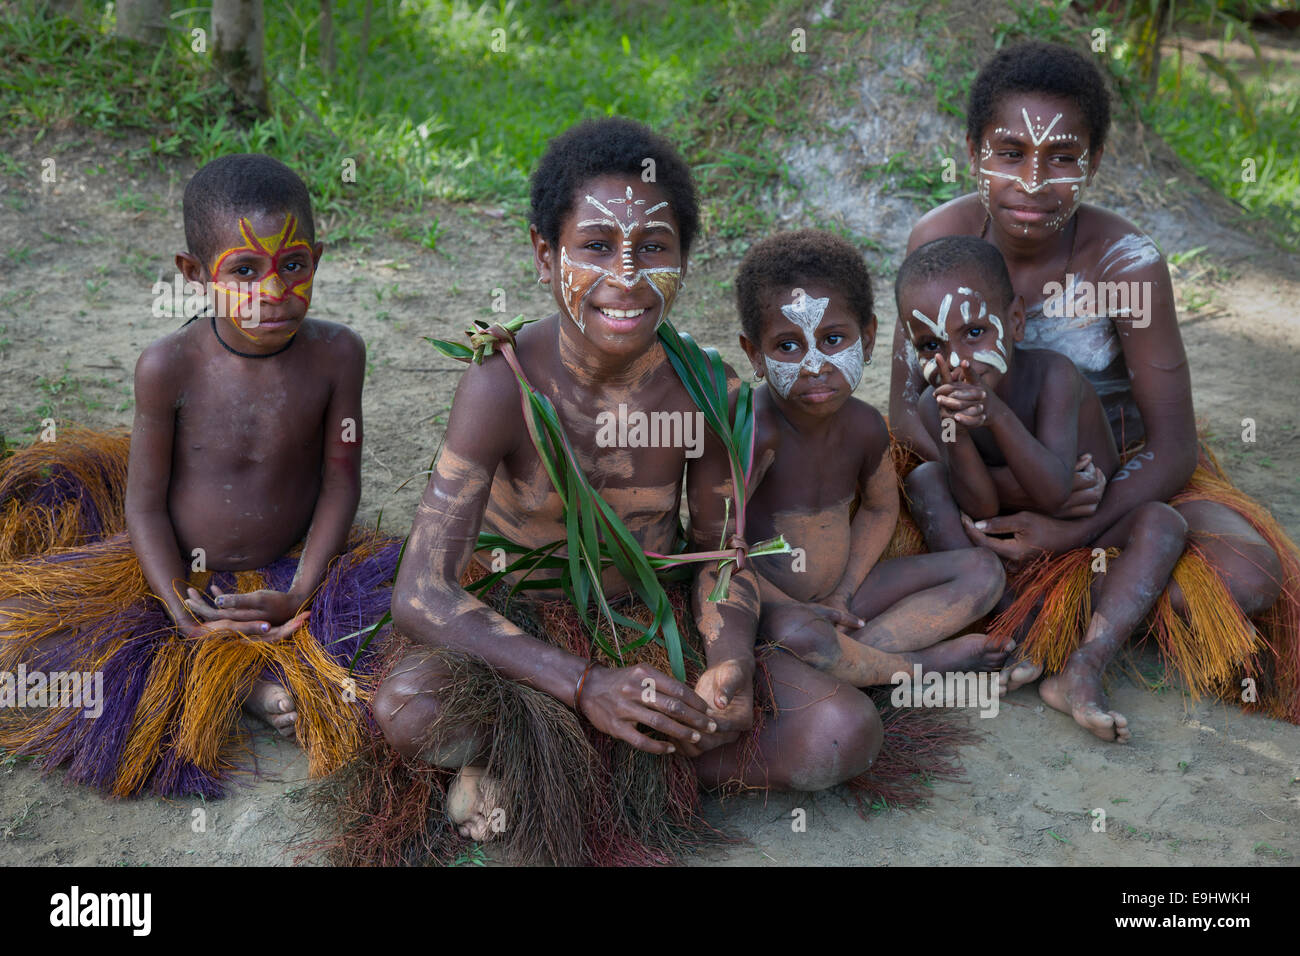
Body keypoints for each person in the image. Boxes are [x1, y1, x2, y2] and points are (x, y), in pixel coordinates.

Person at [366, 119, 892, 866]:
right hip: (525, 633)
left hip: (652, 626)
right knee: (410, 710)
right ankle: (596, 762)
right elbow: (420, 591)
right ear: (546, 255)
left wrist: (729, 664)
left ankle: (541, 771)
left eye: (653, 248)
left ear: (683, 259)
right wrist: (583, 686)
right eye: (596, 247)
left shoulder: (709, 391)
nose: (627, 275)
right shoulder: (501, 384)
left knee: (843, 734)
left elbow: (721, 552)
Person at [889, 40, 1299, 724]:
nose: (1032, 181)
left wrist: (1064, 531)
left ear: (1095, 163)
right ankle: (1065, 606)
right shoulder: (939, 241)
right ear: (973, 152)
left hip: (1112, 482)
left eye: (1062, 157)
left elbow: (1173, 449)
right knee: (875, 521)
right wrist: (999, 487)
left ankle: (1064, 606)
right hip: (976, 475)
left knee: (1249, 575)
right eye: (1010, 151)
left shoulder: (1126, 265)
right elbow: (905, 409)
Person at [0, 153, 399, 798]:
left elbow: (339, 482)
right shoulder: (168, 367)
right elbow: (145, 509)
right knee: (56, 657)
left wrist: (302, 587)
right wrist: (180, 605)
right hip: (179, 572)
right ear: (194, 274)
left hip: (292, 567)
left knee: (392, 647)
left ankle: (243, 667)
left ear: (318, 258)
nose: (273, 293)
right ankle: (232, 673)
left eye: (293, 265)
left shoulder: (338, 354)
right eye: (243, 270)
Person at [898, 235, 1190, 740]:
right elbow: (980, 507)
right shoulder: (934, 405)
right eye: (931, 345)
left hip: (1090, 534)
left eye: (972, 332)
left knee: (1164, 523)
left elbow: (1058, 495)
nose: (955, 361)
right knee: (925, 479)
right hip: (1007, 544)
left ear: (1013, 322)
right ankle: (1015, 615)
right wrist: (961, 437)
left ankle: (1086, 663)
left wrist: (998, 417)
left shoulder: (1054, 376)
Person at [735, 229, 1008, 688]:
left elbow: (881, 508)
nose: (814, 365)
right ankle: (921, 671)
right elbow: (722, 550)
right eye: (787, 346)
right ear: (754, 355)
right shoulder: (750, 431)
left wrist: (843, 592)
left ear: (868, 337)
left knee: (982, 570)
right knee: (802, 636)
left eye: (833, 339)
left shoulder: (864, 426)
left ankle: (857, 664)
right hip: (774, 612)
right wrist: (787, 604)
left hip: (850, 600)